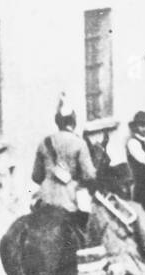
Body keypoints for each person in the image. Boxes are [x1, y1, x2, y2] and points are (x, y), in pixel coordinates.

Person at [31, 96, 98, 227]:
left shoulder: (44, 143)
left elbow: (36, 176)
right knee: (88, 225)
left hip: (45, 197)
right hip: (69, 199)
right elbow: (89, 176)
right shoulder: (79, 143)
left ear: (57, 122)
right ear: (74, 121)